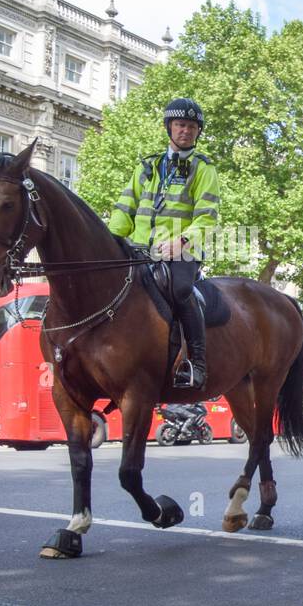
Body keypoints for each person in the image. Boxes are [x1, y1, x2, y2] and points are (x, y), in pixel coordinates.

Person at [108, 98, 220, 389]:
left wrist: (181, 240)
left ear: (198, 132)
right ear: (169, 127)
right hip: (139, 249)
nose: (186, 131)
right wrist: (112, 241)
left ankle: (196, 363)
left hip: (181, 252)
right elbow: (124, 208)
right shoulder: (147, 166)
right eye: (181, 125)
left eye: (192, 127)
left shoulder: (203, 168)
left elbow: (207, 218)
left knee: (182, 290)